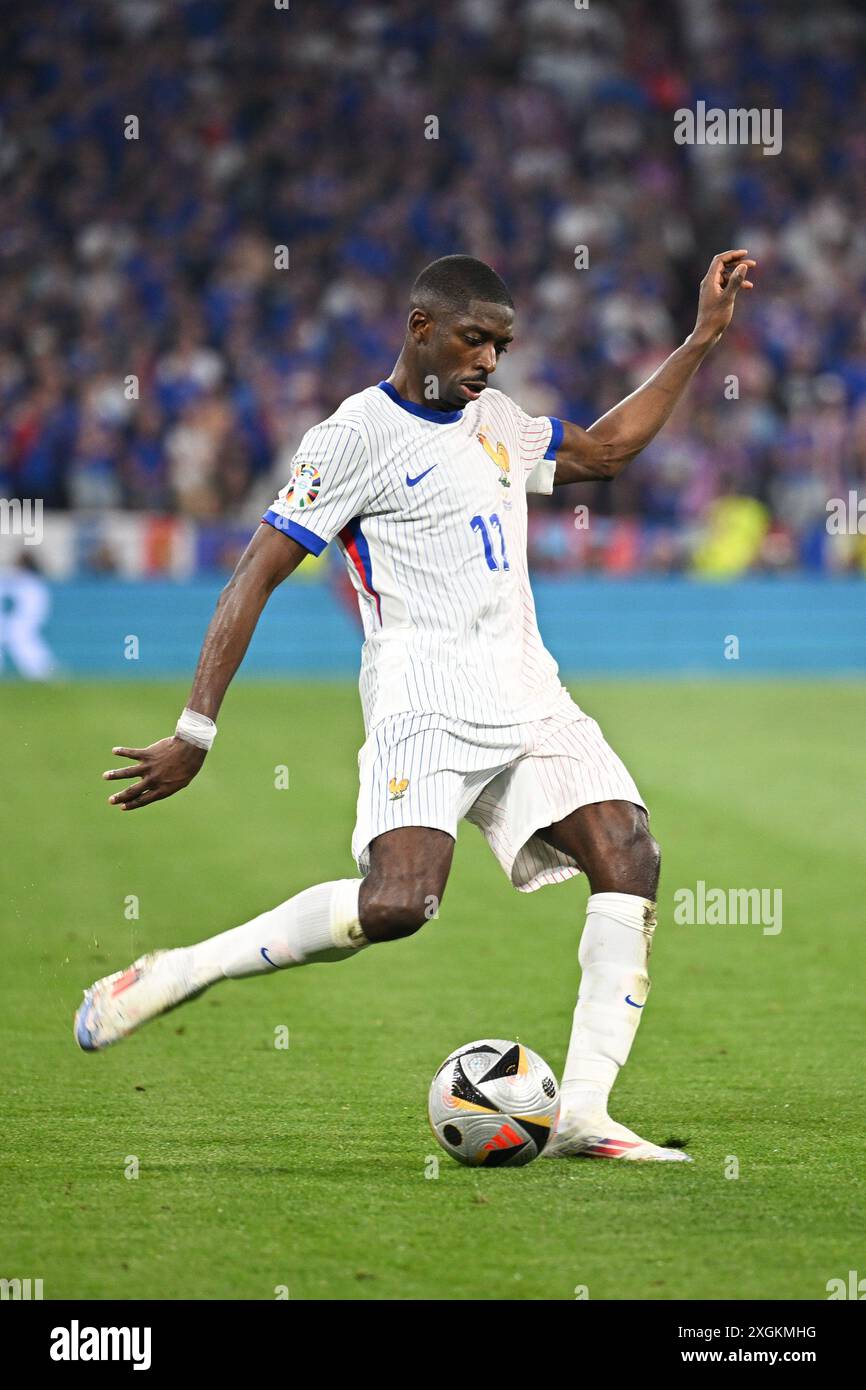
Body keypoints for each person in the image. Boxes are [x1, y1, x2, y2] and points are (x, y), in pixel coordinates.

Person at [75, 249, 755, 1162]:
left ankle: (584, 1111)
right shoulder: (353, 436)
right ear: (420, 327)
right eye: (475, 340)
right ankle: (179, 971)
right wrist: (197, 728)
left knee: (630, 853)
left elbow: (607, 449)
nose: (488, 362)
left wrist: (701, 338)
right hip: (422, 702)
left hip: (528, 689)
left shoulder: (497, 422)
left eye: (502, 346)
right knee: (397, 905)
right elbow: (256, 572)